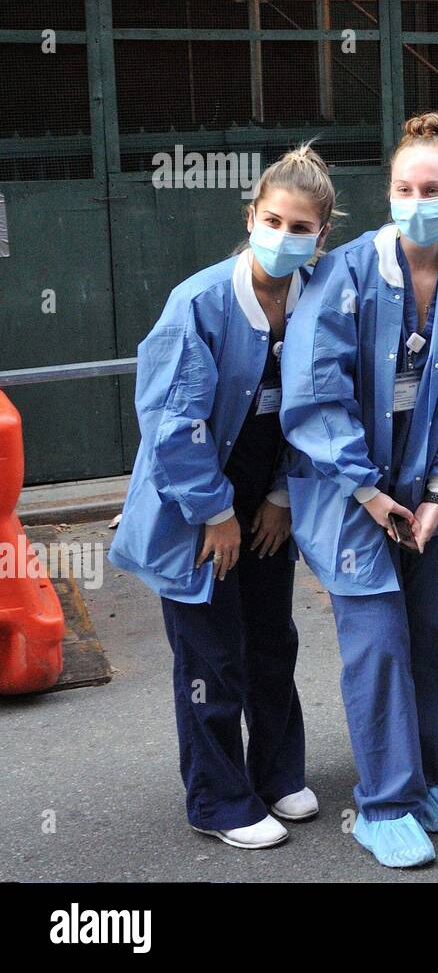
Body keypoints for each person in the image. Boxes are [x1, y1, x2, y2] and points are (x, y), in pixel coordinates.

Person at [280, 112, 438, 869]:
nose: (416, 198)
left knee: (436, 634)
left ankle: (426, 776)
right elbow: (314, 396)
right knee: (377, 640)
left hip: (431, 487)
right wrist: (371, 493)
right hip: (349, 496)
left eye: (432, 187)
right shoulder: (342, 274)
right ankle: (382, 801)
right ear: (389, 193)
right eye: (404, 187)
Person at [109, 144, 336, 849]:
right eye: (273, 219)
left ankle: (276, 772)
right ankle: (218, 797)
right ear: (251, 216)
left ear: (321, 235)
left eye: (302, 227)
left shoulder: (320, 298)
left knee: (273, 638)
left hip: (270, 500)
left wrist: (279, 495)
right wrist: (215, 513)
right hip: (195, 505)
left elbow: (320, 401)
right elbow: (173, 427)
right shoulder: (198, 303)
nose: (285, 235)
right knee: (212, 655)